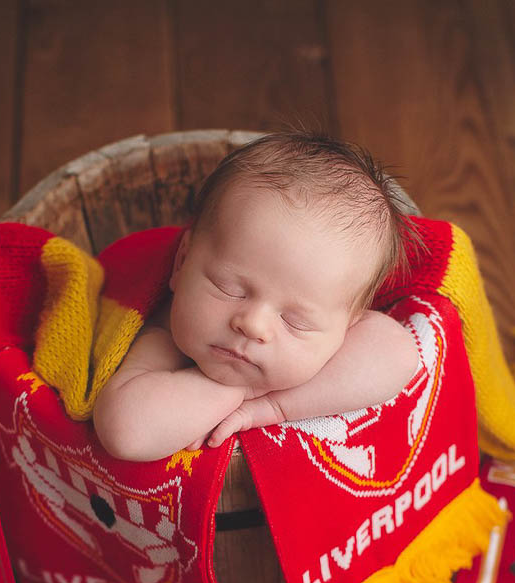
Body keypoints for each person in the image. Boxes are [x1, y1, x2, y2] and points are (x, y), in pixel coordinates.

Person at [92, 131, 424, 463]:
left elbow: (400, 354)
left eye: (296, 321)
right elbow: (127, 434)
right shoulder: (165, 337)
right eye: (229, 288)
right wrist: (236, 390)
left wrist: (269, 405)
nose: (253, 325)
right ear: (183, 262)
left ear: (349, 325)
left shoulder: (341, 331)